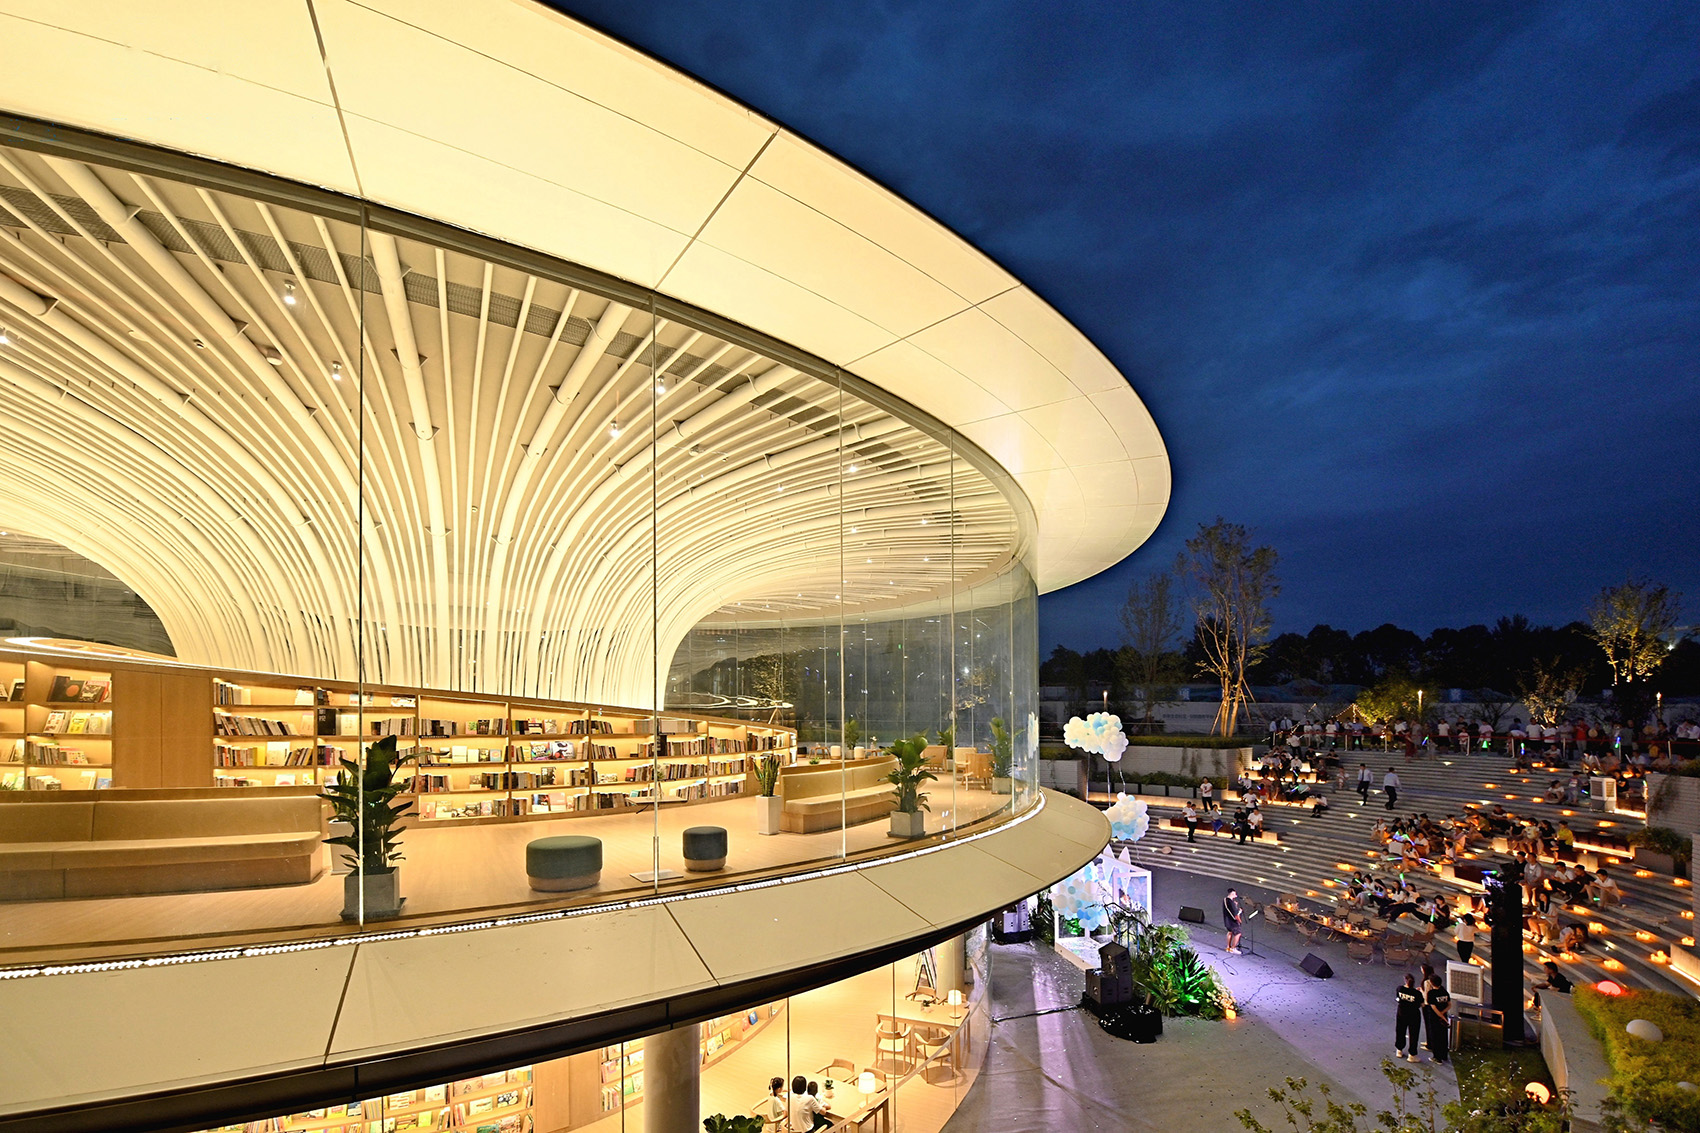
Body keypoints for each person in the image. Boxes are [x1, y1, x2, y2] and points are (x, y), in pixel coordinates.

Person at [1423, 973, 1451, 1065]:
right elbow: (1449, 1005)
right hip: (1443, 1018)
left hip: (1434, 1018)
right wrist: (1443, 1014)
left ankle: (1437, 1057)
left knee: (1435, 1036)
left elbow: (1434, 1008)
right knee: (1443, 1036)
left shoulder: (1431, 993)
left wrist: (1440, 1015)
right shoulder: (1444, 992)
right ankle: (1444, 1054)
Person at [1395, 974, 1424, 1062]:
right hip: (1413, 1015)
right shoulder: (1417, 993)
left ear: (1405, 980)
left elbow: (1398, 998)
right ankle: (1412, 1054)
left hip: (1401, 1013)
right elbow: (1422, 1004)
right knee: (1413, 1034)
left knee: (1400, 1031)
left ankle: (1399, 1050)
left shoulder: (1400, 989)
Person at [1223, 888, 1243, 955]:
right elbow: (1235, 913)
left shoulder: (1225, 900)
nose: (1236, 896)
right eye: (1235, 894)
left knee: (1230, 932)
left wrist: (1235, 905)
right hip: (1232, 921)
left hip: (1227, 920)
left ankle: (1228, 947)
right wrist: (1239, 911)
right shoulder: (1231, 902)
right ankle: (1233, 948)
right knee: (1238, 933)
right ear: (1232, 894)